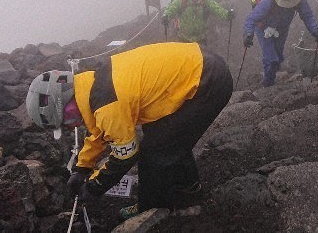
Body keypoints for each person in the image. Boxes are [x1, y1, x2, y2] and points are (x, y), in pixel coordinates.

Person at [25, 42, 233, 220]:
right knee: (168, 139)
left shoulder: (106, 104)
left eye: (65, 123)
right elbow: (101, 131)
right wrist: (83, 167)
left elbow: (125, 155)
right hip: (200, 64)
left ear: (67, 108)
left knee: (155, 152)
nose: (70, 127)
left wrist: (95, 187)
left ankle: (153, 209)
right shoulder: (91, 85)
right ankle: (189, 187)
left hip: (208, 82)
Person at [243, 0, 318, 87]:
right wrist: (248, 34)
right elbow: (252, 19)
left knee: (278, 55)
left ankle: (275, 73)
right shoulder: (268, 1)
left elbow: (307, 15)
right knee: (271, 59)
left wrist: (315, 30)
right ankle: (268, 84)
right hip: (263, 29)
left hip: (282, 29)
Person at [163, 0, 235, 45]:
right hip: (184, 39)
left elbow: (216, 8)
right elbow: (171, 8)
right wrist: (166, 16)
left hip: (201, 39)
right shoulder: (181, 0)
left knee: (199, 57)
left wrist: (227, 15)